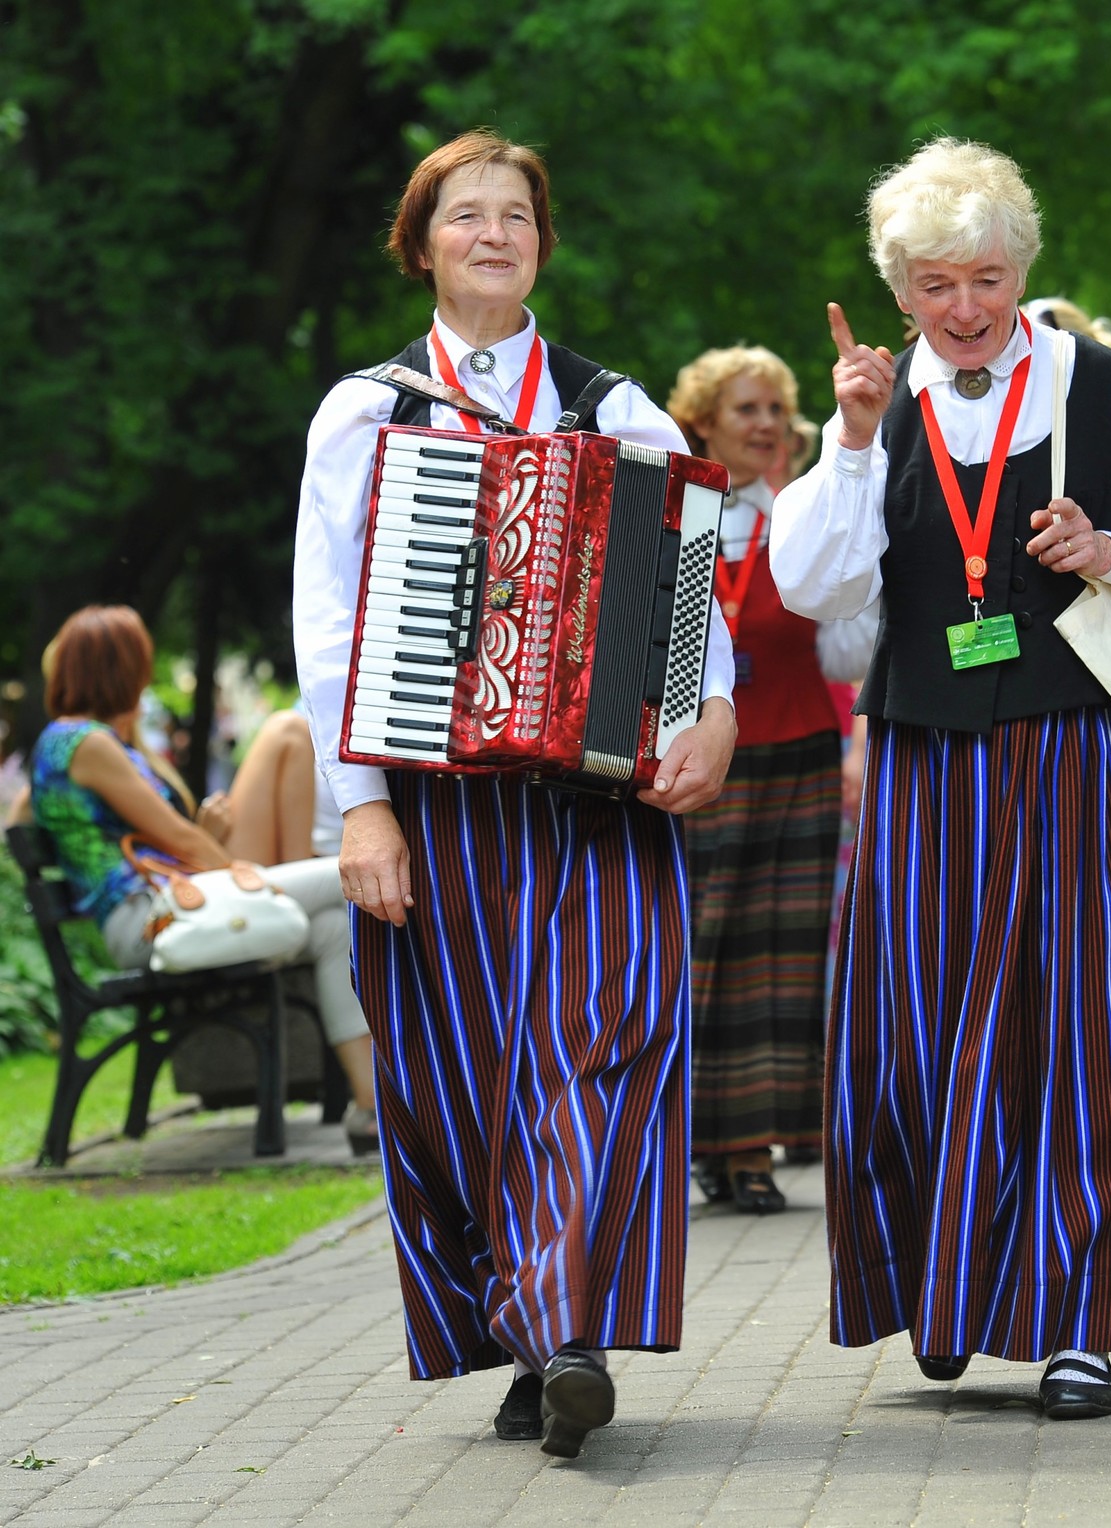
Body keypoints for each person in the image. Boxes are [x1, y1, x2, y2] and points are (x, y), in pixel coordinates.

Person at [291, 130, 738, 1457]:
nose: (493, 235)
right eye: (465, 216)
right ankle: (526, 1329)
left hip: (592, 803)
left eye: (515, 216)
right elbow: (327, 625)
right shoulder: (367, 413)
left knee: (595, 1052)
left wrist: (708, 710)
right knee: (457, 1080)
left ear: (543, 241)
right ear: (421, 244)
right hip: (438, 805)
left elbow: (689, 588)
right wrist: (359, 804)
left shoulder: (616, 410)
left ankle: (569, 1330)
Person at [771, 137, 1111, 1418]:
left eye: (983, 278)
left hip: (1068, 755)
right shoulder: (867, 409)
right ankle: (949, 1293)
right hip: (920, 763)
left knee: (1086, 1033)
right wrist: (853, 442)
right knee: (914, 1032)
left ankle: (1085, 1321)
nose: (963, 309)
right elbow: (814, 587)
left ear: (1022, 269)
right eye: (933, 285)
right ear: (895, 288)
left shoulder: (1094, 380)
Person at [26, 607, 377, 1150]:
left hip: (167, 904)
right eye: (139, 662)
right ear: (120, 668)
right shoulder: (82, 742)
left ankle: (371, 1111)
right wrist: (238, 871)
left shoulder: (97, 742)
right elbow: (180, 842)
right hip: (146, 919)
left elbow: (160, 833)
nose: (146, 679)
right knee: (353, 873)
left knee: (332, 924)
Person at [665, 346, 871, 1214]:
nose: (764, 426)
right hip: (707, 763)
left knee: (787, 958)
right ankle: (708, 1142)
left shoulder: (798, 514)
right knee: (708, 949)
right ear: (705, 421)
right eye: (745, 410)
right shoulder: (678, 512)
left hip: (802, 754)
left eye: (775, 411)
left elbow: (847, 646)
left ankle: (762, 1150)